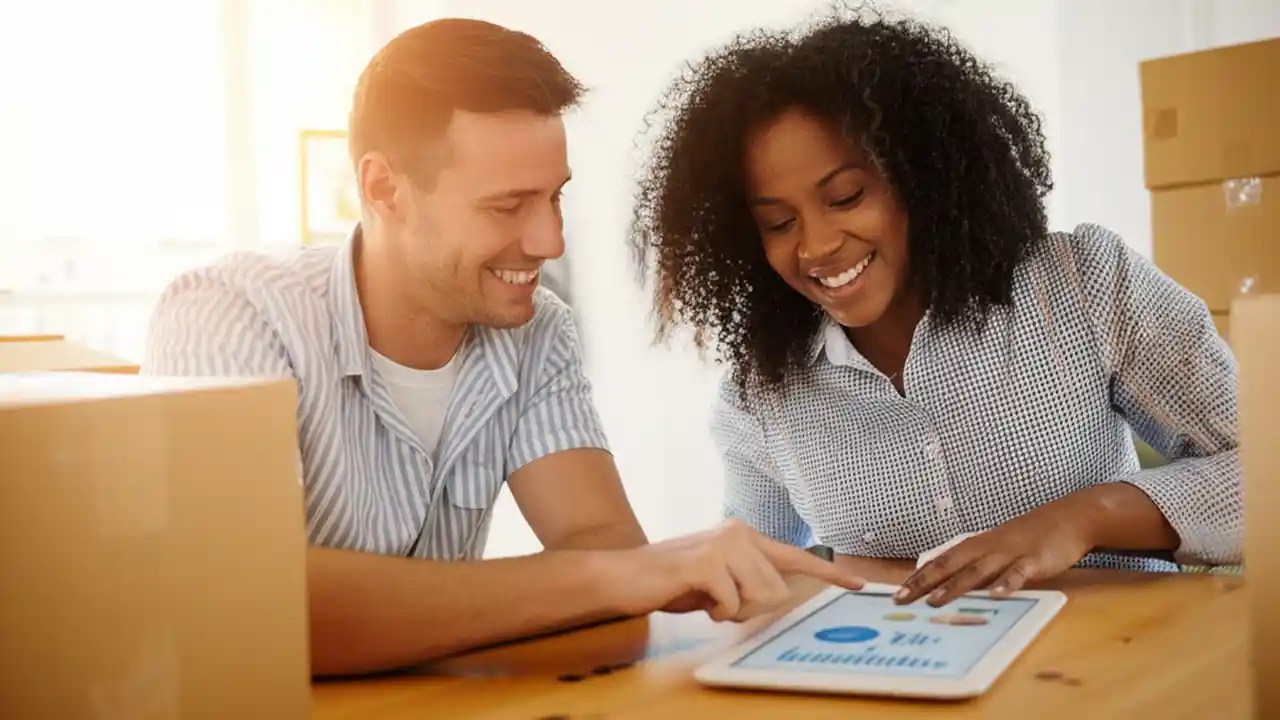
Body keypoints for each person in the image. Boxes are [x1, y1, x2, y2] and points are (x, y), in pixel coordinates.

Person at [143, 18, 862, 676]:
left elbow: (604, 546)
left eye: (554, 197)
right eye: (506, 206)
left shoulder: (535, 330)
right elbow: (252, 609)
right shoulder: (230, 314)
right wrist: (622, 574)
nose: (549, 241)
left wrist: (617, 574)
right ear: (384, 188)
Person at [630, 10, 1241, 609]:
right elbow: (754, 573)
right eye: (779, 223)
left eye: (846, 197)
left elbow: (1260, 471)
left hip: (1121, 658)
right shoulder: (759, 397)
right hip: (909, 671)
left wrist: (1086, 517)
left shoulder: (1082, 282)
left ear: (920, 176)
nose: (815, 247)